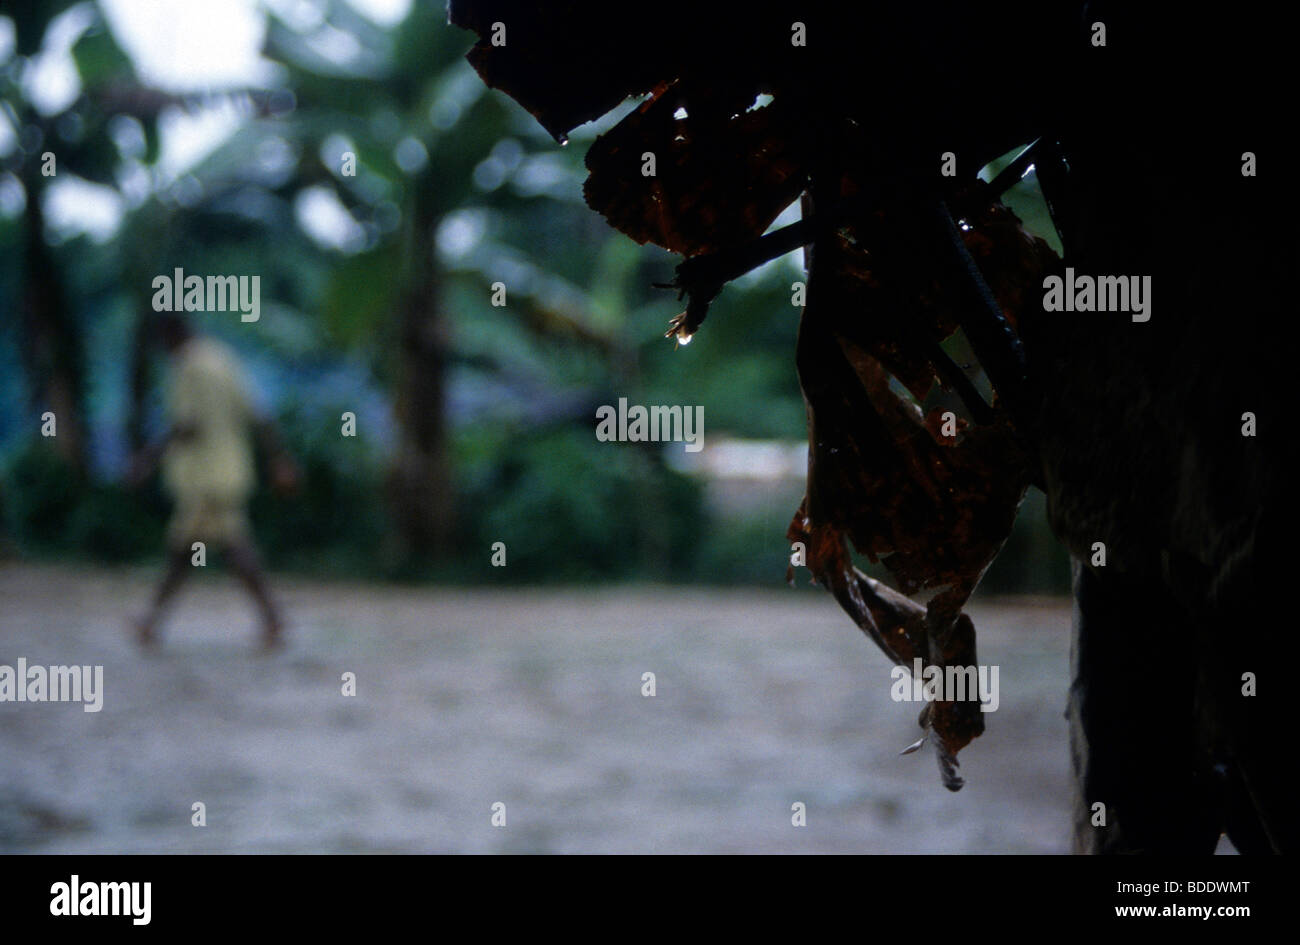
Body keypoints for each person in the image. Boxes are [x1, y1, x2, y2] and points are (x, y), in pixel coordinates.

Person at [128, 313, 299, 650]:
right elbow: (259, 414)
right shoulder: (221, 358)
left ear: (169, 332)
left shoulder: (189, 366)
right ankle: (153, 621)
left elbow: (187, 425)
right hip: (228, 472)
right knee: (199, 549)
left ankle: (153, 621)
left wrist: (148, 457)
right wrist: (279, 457)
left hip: (206, 478)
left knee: (200, 551)